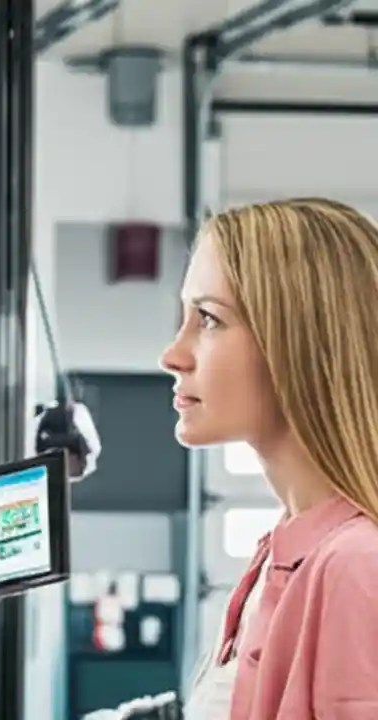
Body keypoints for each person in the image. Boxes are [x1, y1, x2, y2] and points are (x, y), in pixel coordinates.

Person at [160, 198, 378, 719]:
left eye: (209, 319)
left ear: (300, 343)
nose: (172, 354)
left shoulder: (355, 566)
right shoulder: (284, 550)